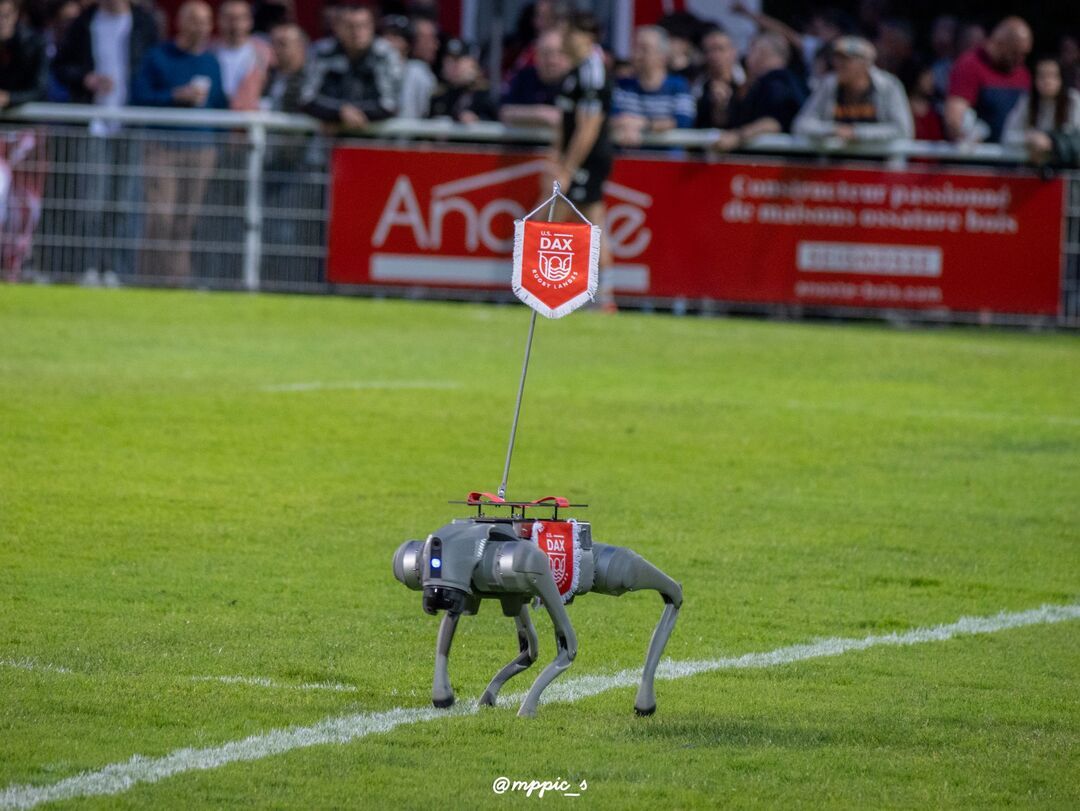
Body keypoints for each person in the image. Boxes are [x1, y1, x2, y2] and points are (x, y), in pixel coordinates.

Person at [52, 0, 160, 284]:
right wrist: (85, 78)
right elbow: (61, 65)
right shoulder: (84, 21)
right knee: (91, 200)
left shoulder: (145, 22)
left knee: (124, 202)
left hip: (129, 123)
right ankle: (87, 267)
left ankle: (115, 271)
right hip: (93, 123)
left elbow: (153, 67)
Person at [131, 0, 227, 282]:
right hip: (163, 147)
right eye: (195, 20)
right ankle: (150, 279)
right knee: (160, 217)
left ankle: (176, 280)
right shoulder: (158, 56)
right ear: (181, 22)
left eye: (206, 21)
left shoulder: (212, 61)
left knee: (187, 221)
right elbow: (139, 97)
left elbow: (220, 104)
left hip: (201, 149)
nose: (201, 27)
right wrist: (173, 96)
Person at [552, 11, 614, 310]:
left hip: (587, 159)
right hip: (579, 159)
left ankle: (546, 287)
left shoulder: (593, 70)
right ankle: (604, 297)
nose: (563, 39)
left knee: (556, 217)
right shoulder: (578, 70)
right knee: (593, 219)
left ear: (585, 36)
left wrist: (568, 167)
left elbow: (588, 126)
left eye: (568, 33)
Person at [793, 36, 913, 143]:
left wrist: (857, 133)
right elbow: (801, 125)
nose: (839, 65)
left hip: (879, 164)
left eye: (846, 60)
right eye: (837, 59)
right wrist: (832, 130)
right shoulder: (829, 84)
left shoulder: (888, 86)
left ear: (866, 63)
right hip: (836, 163)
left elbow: (902, 130)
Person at [301, 2, 403, 130]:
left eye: (363, 26)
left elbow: (391, 104)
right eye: (350, 26)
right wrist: (340, 112)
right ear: (337, 28)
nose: (357, 32)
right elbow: (307, 99)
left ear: (373, 27)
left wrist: (348, 114)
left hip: (374, 138)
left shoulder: (385, 54)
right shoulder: (321, 52)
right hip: (327, 140)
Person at [713, 32, 807, 152]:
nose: (746, 58)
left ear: (762, 54)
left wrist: (737, 137)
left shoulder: (776, 80)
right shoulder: (791, 81)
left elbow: (774, 122)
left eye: (751, 51)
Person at [945, 17, 1032, 143]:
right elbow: (954, 121)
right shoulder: (969, 65)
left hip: (1012, 158)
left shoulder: (1023, 73)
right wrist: (970, 133)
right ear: (1000, 43)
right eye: (1016, 53)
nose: (1021, 60)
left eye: (1024, 54)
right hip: (978, 158)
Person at [610, 26, 694, 148]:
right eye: (635, 47)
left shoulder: (679, 86)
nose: (637, 54)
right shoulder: (622, 85)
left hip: (666, 162)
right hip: (628, 161)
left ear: (662, 56)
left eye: (644, 49)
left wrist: (644, 125)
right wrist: (624, 124)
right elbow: (610, 116)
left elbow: (684, 121)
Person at [1002, 57, 1080, 165]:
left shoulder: (1073, 100)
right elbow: (1007, 135)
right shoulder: (1027, 101)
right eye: (1042, 76)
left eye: (1052, 76)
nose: (1047, 81)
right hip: (1033, 167)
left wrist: (1053, 142)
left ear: (1061, 79)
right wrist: (1030, 138)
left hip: (1068, 168)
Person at [499, 27, 568, 129]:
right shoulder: (524, 77)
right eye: (546, 53)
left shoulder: (576, 81)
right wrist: (541, 114)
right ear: (536, 55)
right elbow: (504, 112)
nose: (552, 60)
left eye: (559, 53)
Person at [214, 0, 271, 111]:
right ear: (219, 20)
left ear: (250, 21)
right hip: (216, 119)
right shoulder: (208, 52)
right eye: (229, 18)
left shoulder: (265, 54)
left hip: (250, 123)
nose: (235, 25)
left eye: (241, 18)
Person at [379, 14, 435, 119]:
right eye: (385, 35)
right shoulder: (373, 68)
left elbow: (426, 110)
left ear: (407, 43)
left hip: (410, 131)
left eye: (395, 36)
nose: (388, 41)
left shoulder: (418, 70)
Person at [428, 38, 495, 123]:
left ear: (472, 63)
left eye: (458, 60)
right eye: (448, 60)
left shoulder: (483, 93)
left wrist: (478, 120)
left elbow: (496, 118)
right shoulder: (439, 93)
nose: (453, 66)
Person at [0, 0, 48, 110]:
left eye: (5, 16)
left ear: (15, 15)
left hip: (27, 120)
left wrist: (10, 98)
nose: (1, 22)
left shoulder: (35, 43)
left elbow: (40, 89)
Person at [694, 26, 740, 129]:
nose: (714, 55)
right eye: (708, 50)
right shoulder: (696, 85)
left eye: (720, 49)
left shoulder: (748, 82)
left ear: (733, 51)